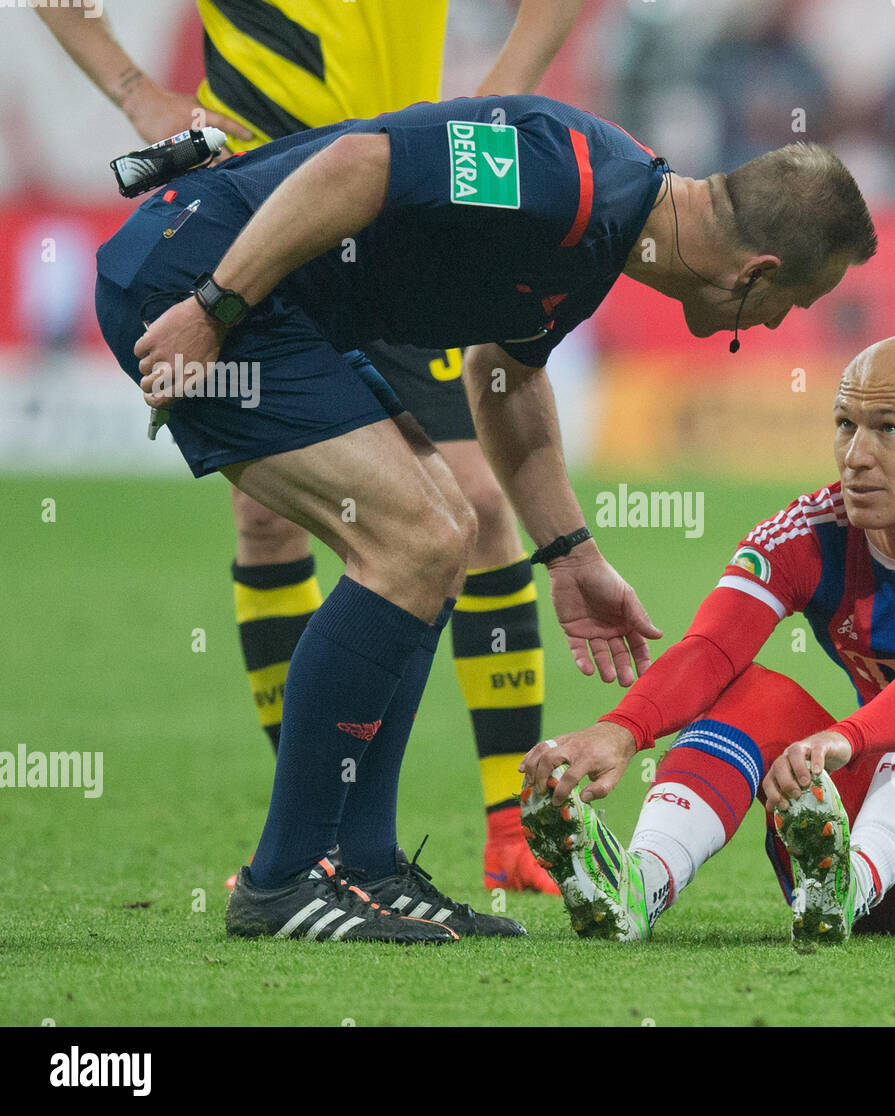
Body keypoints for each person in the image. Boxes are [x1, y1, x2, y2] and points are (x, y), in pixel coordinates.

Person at [94, 97, 877, 942]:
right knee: (413, 538)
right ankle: (284, 877)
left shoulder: (608, 233)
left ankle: (363, 864)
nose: (776, 323)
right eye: (795, 302)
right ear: (757, 271)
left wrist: (571, 555)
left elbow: (504, 376)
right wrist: (213, 307)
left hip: (279, 314)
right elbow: (359, 164)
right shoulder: (573, 185)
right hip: (200, 291)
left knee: (447, 531)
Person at [38, 0, 584, 898]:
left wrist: (490, 105)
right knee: (265, 522)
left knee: (479, 505)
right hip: (249, 199)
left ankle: (509, 829)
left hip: (394, 200)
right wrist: (136, 92)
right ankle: (313, 834)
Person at [520, 332, 895, 943]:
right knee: (746, 689)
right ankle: (640, 886)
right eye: (846, 424)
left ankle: (851, 878)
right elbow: (710, 650)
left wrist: (844, 738)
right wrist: (621, 730)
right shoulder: (808, 533)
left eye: (888, 429)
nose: (856, 455)